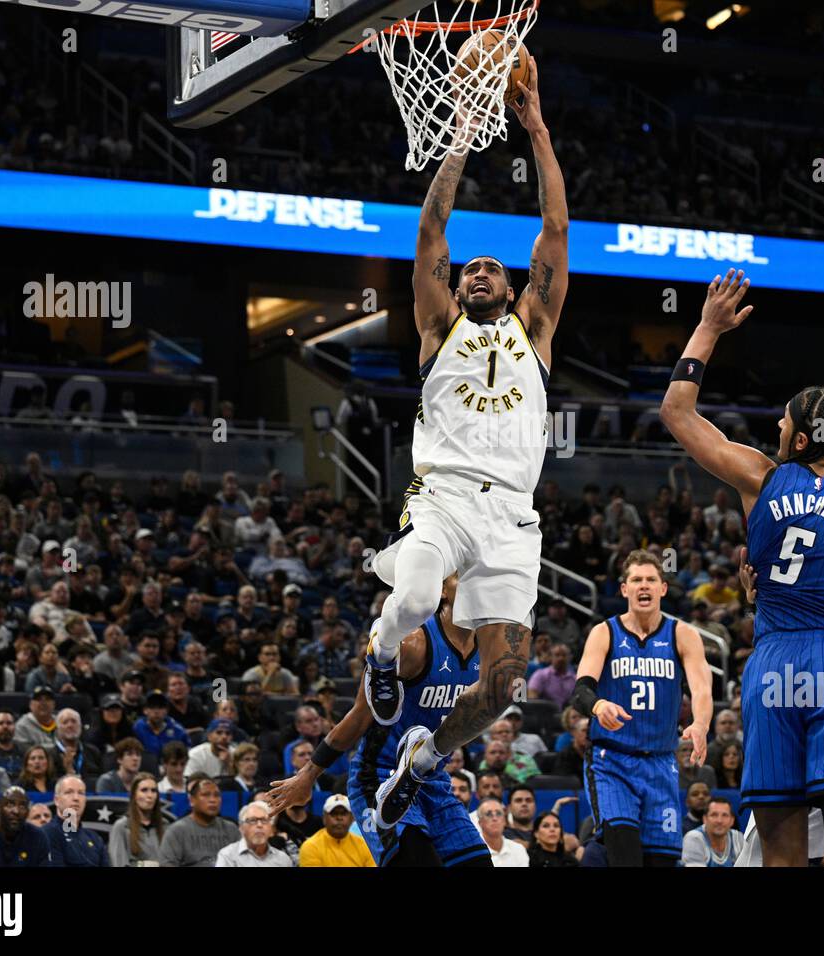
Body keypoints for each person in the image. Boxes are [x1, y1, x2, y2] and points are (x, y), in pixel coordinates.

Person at [361, 60, 569, 833]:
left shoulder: (535, 332)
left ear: (514, 290)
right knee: (414, 600)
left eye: (492, 269)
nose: (478, 272)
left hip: (513, 518)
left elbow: (554, 231)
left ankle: (419, 762)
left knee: (505, 684)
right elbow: (429, 234)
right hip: (443, 497)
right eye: (469, 270)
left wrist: (536, 126)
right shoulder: (436, 328)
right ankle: (383, 656)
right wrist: (459, 136)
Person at [662, 271, 824, 867]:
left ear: (800, 439)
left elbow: (676, 411)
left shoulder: (762, 477)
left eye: (782, 422)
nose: (776, 427)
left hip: (774, 666)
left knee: (778, 850)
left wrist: (708, 328)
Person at [268, 575, 489, 867]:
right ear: (442, 590)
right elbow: (360, 715)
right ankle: (382, 644)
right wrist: (308, 775)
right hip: (380, 775)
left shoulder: (488, 651)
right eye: (464, 575)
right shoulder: (415, 643)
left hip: (431, 779)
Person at [570, 549, 714, 866]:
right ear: (624, 589)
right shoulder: (604, 632)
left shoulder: (683, 634)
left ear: (663, 588)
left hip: (661, 763)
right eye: (636, 580)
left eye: (651, 579)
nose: (643, 586)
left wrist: (701, 723)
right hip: (612, 761)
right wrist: (598, 705)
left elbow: (702, 688)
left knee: (661, 861)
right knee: (624, 851)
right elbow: (580, 691)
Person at [158, 776, 240, 867]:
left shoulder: (231, 829)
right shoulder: (176, 832)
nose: (213, 800)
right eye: (205, 795)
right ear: (192, 800)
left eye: (217, 795)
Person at [43, 774, 109, 867]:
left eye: (81, 793)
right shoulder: (47, 833)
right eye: (69, 792)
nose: (76, 798)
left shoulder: (95, 839)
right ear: (57, 800)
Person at [297, 793, 376, 867]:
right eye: (334, 813)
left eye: (343, 813)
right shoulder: (311, 846)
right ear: (324, 817)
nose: (339, 818)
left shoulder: (365, 846)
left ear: (352, 818)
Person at [108, 772, 165, 866]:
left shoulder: (165, 826)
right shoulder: (122, 827)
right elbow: (118, 864)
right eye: (144, 790)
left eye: (153, 791)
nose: (150, 795)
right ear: (134, 795)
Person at [215, 800, 294, 867]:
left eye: (264, 820)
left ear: (271, 829)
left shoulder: (283, 859)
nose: (259, 825)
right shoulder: (228, 855)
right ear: (241, 828)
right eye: (252, 820)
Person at [682, 796, 744, 867]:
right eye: (714, 815)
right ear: (705, 819)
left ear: (732, 820)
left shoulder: (738, 838)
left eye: (725, 815)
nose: (719, 821)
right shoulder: (694, 838)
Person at [133, 690, 190, 756]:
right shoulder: (137, 728)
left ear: (166, 710)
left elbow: (187, 754)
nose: (156, 711)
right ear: (145, 710)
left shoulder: (177, 730)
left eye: (160, 707)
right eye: (152, 707)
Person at [476, 796, 527, 866]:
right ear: (480, 823)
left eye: (499, 813)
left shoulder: (518, 850)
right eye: (489, 814)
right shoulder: (474, 852)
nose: (495, 818)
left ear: (504, 821)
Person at [14, 686, 59, 751]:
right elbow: (26, 752)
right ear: (30, 705)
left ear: (54, 704)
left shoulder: (61, 722)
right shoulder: (22, 726)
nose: (43, 703)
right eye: (38, 699)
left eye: (47, 699)